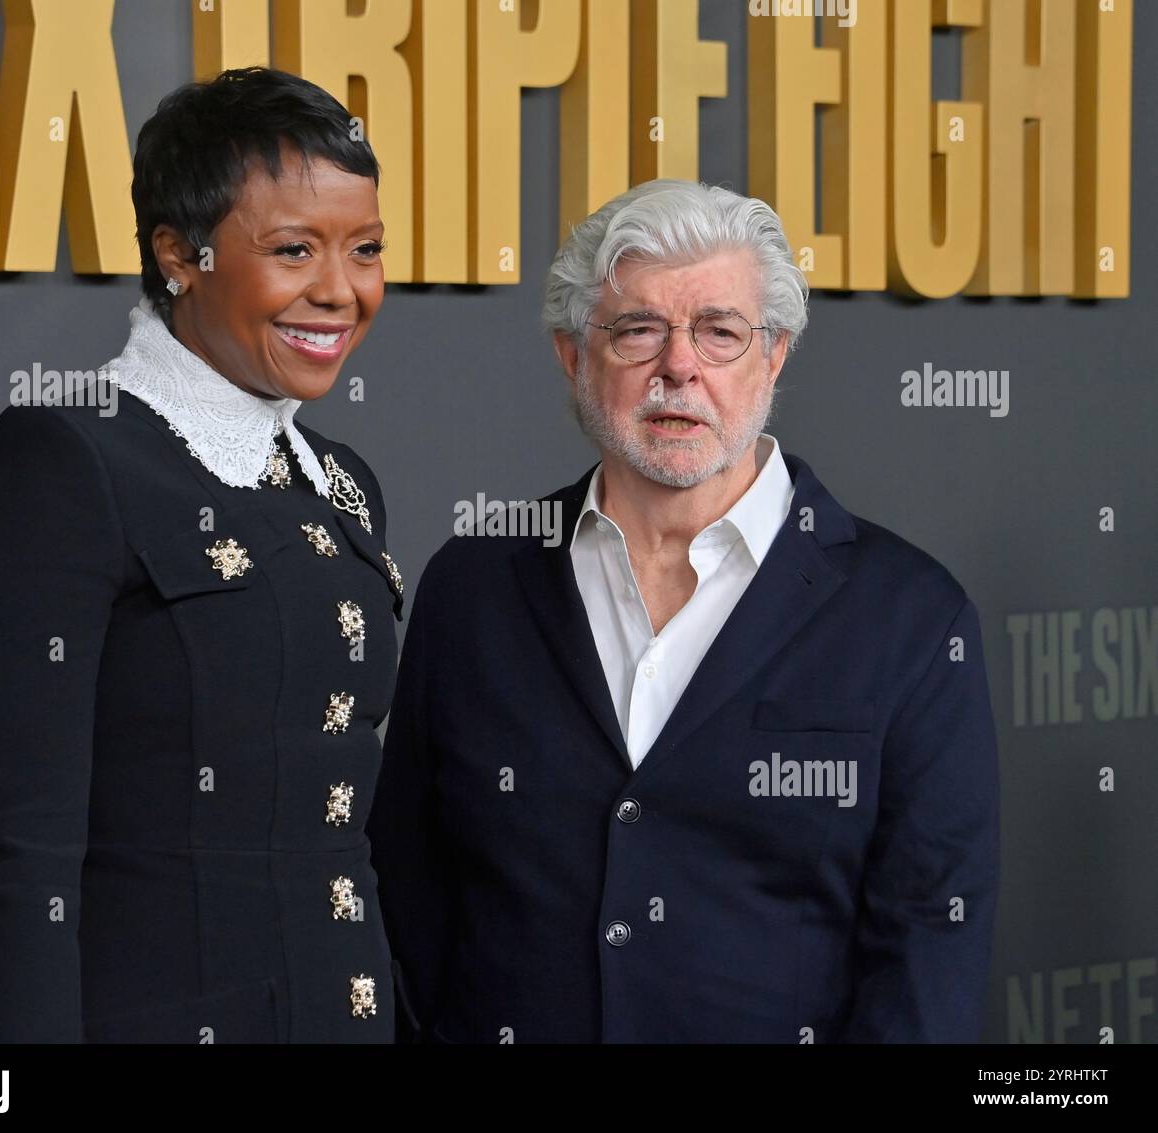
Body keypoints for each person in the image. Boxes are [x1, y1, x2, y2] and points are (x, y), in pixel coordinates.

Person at [369, 179, 1000, 1043]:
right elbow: (410, 891)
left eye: (720, 331)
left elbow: (929, 958)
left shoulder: (913, 621)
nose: (680, 365)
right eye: (638, 330)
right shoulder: (471, 587)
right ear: (571, 354)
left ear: (773, 356)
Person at [0, 67, 405, 1043]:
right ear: (178, 253)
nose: (339, 290)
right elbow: (24, 867)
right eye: (293, 250)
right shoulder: (66, 457)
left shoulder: (344, 479)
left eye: (364, 249)